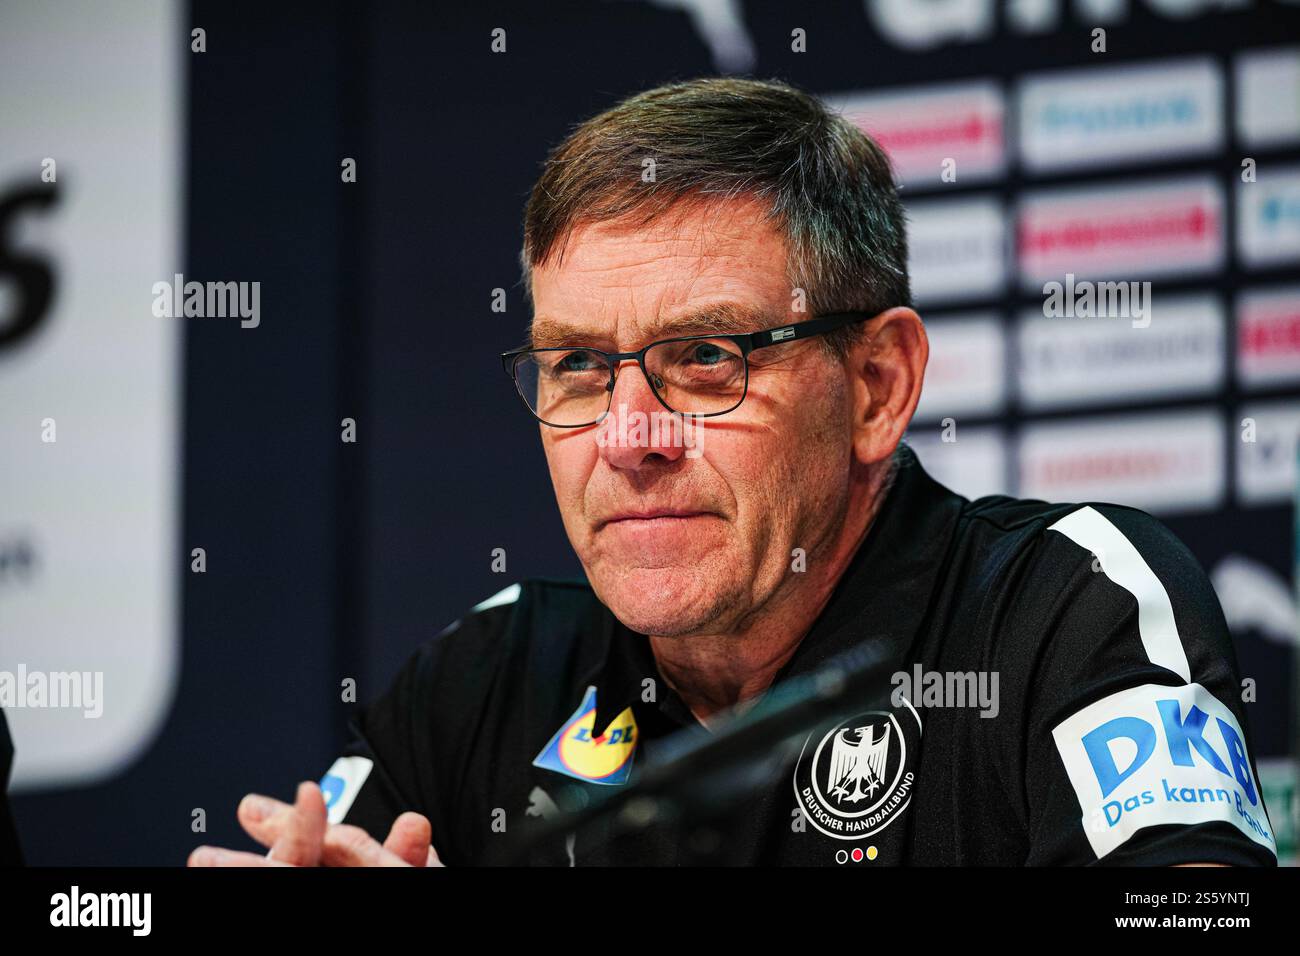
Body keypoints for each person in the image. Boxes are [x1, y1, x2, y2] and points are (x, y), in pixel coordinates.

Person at [189, 77, 1276, 867]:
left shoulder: (1063, 605)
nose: (627, 435)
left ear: (875, 386)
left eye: (705, 357)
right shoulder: (490, 673)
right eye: (576, 365)